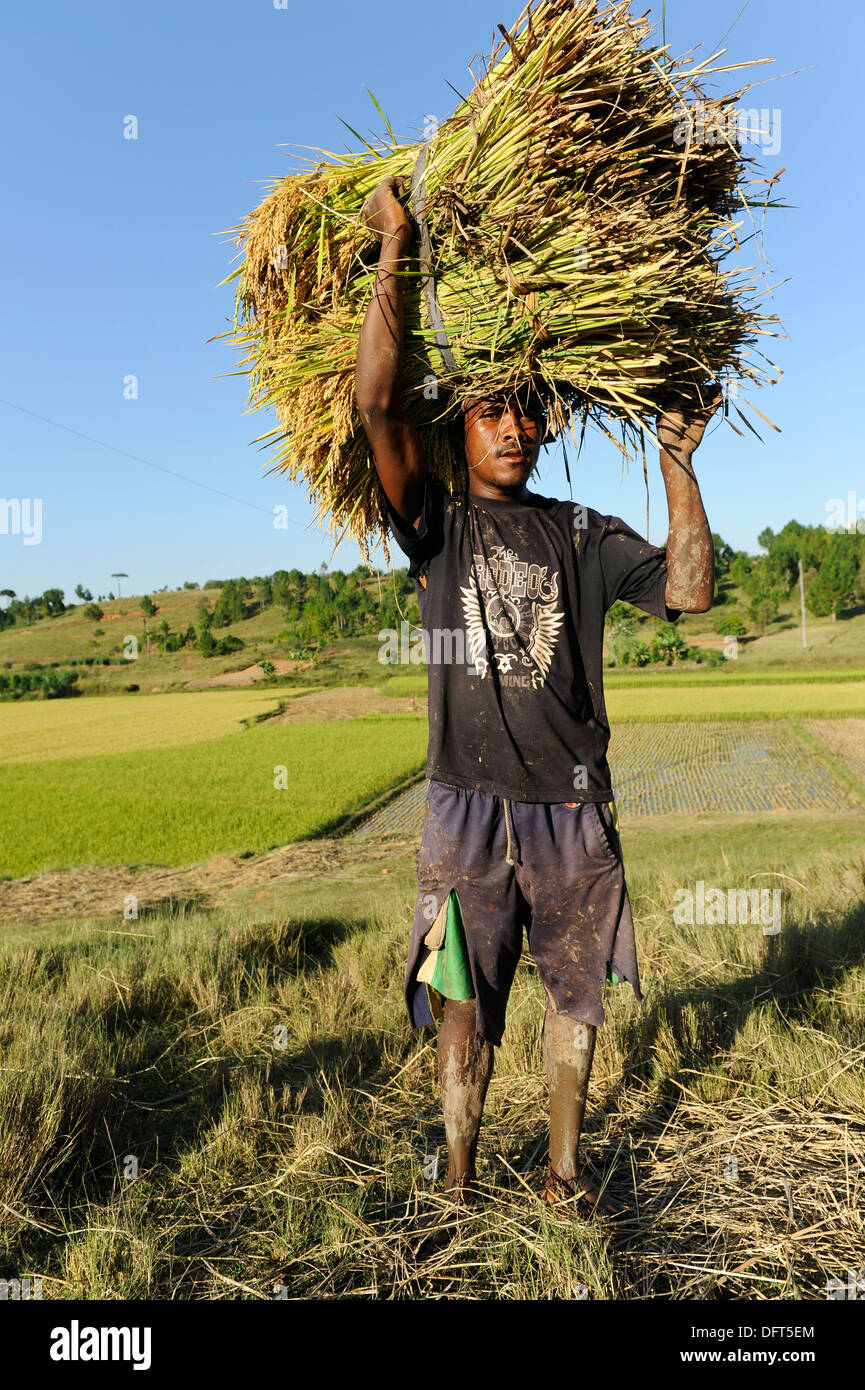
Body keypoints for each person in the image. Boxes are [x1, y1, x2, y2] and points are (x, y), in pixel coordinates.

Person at [355, 175, 716, 1220]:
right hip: (464, 801)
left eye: (525, 413)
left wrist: (677, 463)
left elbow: (687, 589)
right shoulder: (435, 526)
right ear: (459, 426)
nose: (511, 428)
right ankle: (459, 1185)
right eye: (488, 411)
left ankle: (563, 1178)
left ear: (546, 426)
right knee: (460, 1000)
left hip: (570, 803)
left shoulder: (583, 532)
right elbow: (376, 403)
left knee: (575, 995)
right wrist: (396, 244)